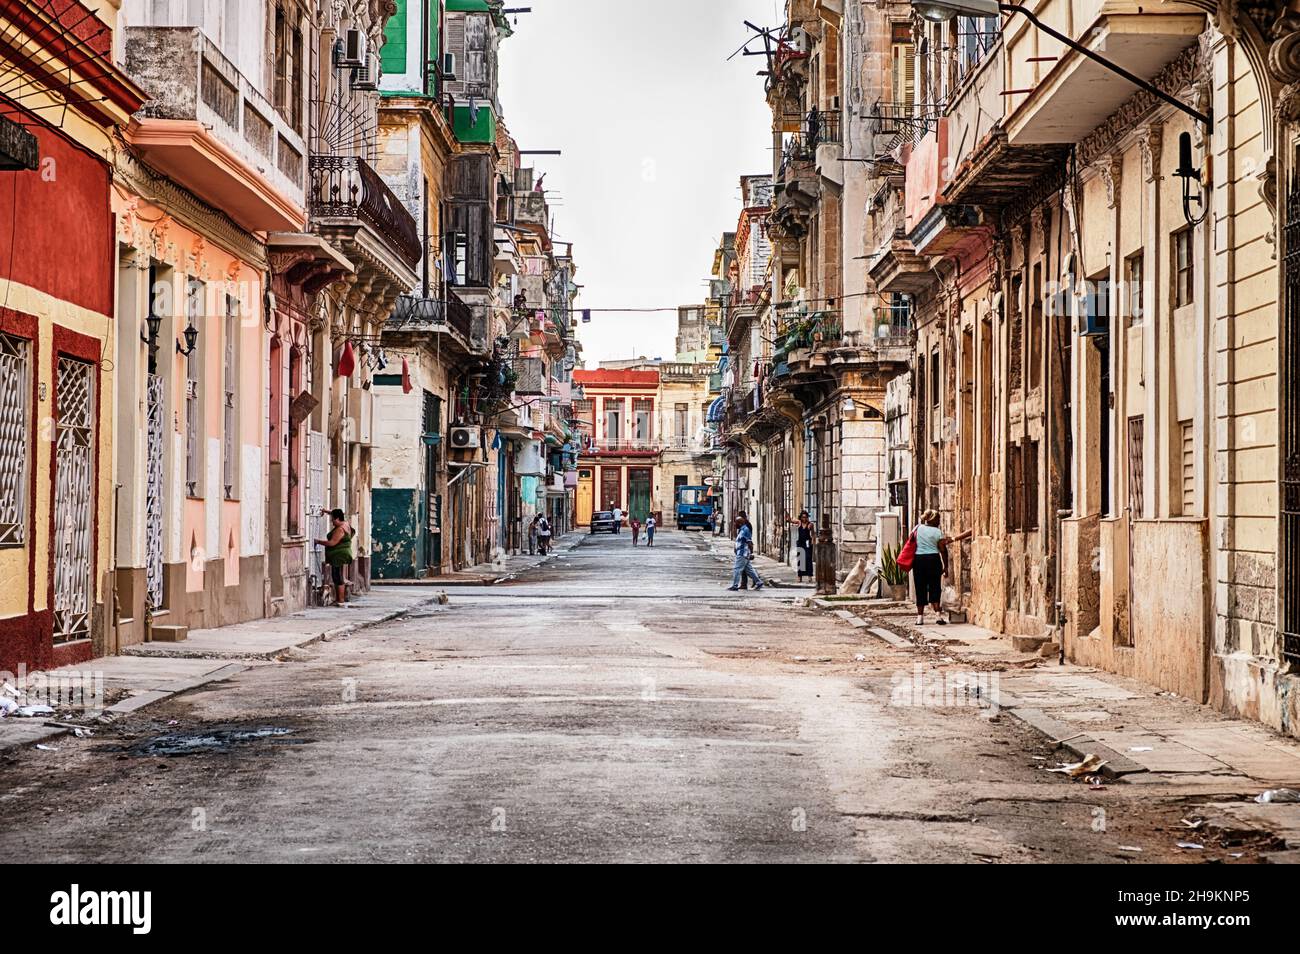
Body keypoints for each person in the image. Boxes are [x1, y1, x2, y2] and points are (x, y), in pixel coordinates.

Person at [910, 508, 972, 626]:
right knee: (935, 586)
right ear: (933, 519)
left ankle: (920, 618)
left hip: (919, 561)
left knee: (920, 587)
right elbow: (943, 550)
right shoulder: (937, 532)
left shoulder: (917, 528)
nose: (939, 521)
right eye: (938, 519)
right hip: (933, 560)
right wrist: (946, 567)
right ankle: (938, 616)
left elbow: (911, 543)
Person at [315, 508, 355, 607]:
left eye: (333, 519)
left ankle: (340, 600)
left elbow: (332, 543)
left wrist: (318, 541)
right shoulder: (345, 523)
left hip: (339, 556)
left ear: (337, 519)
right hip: (342, 554)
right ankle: (340, 600)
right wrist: (325, 511)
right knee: (338, 575)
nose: (332, 522)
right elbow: (336, 513)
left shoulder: (340, 529)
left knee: (337, 577)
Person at [727, 512, 763, 591]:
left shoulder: (745, 530)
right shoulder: (741, 530)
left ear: (739, 523)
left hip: (743, 553)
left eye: (736, 523)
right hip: (743, 553)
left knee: (737, 569)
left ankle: (735, 585)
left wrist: (751, 552)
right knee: (749, 570)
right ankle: (759, 582)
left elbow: (749, 542)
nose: (734, 525)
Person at [789, 510, 814, 583]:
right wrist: (787, 516)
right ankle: (799, 576)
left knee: (808, 559)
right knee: (800, 559)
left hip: (807, 543)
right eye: (803, 517)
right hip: (800, 543)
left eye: (806, 517)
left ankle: (810, 576)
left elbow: (813, 534)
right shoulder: (799, 523)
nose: (804, 519)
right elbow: (791, 521)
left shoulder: (810, 524)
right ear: (801, 517)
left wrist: (813, 542)